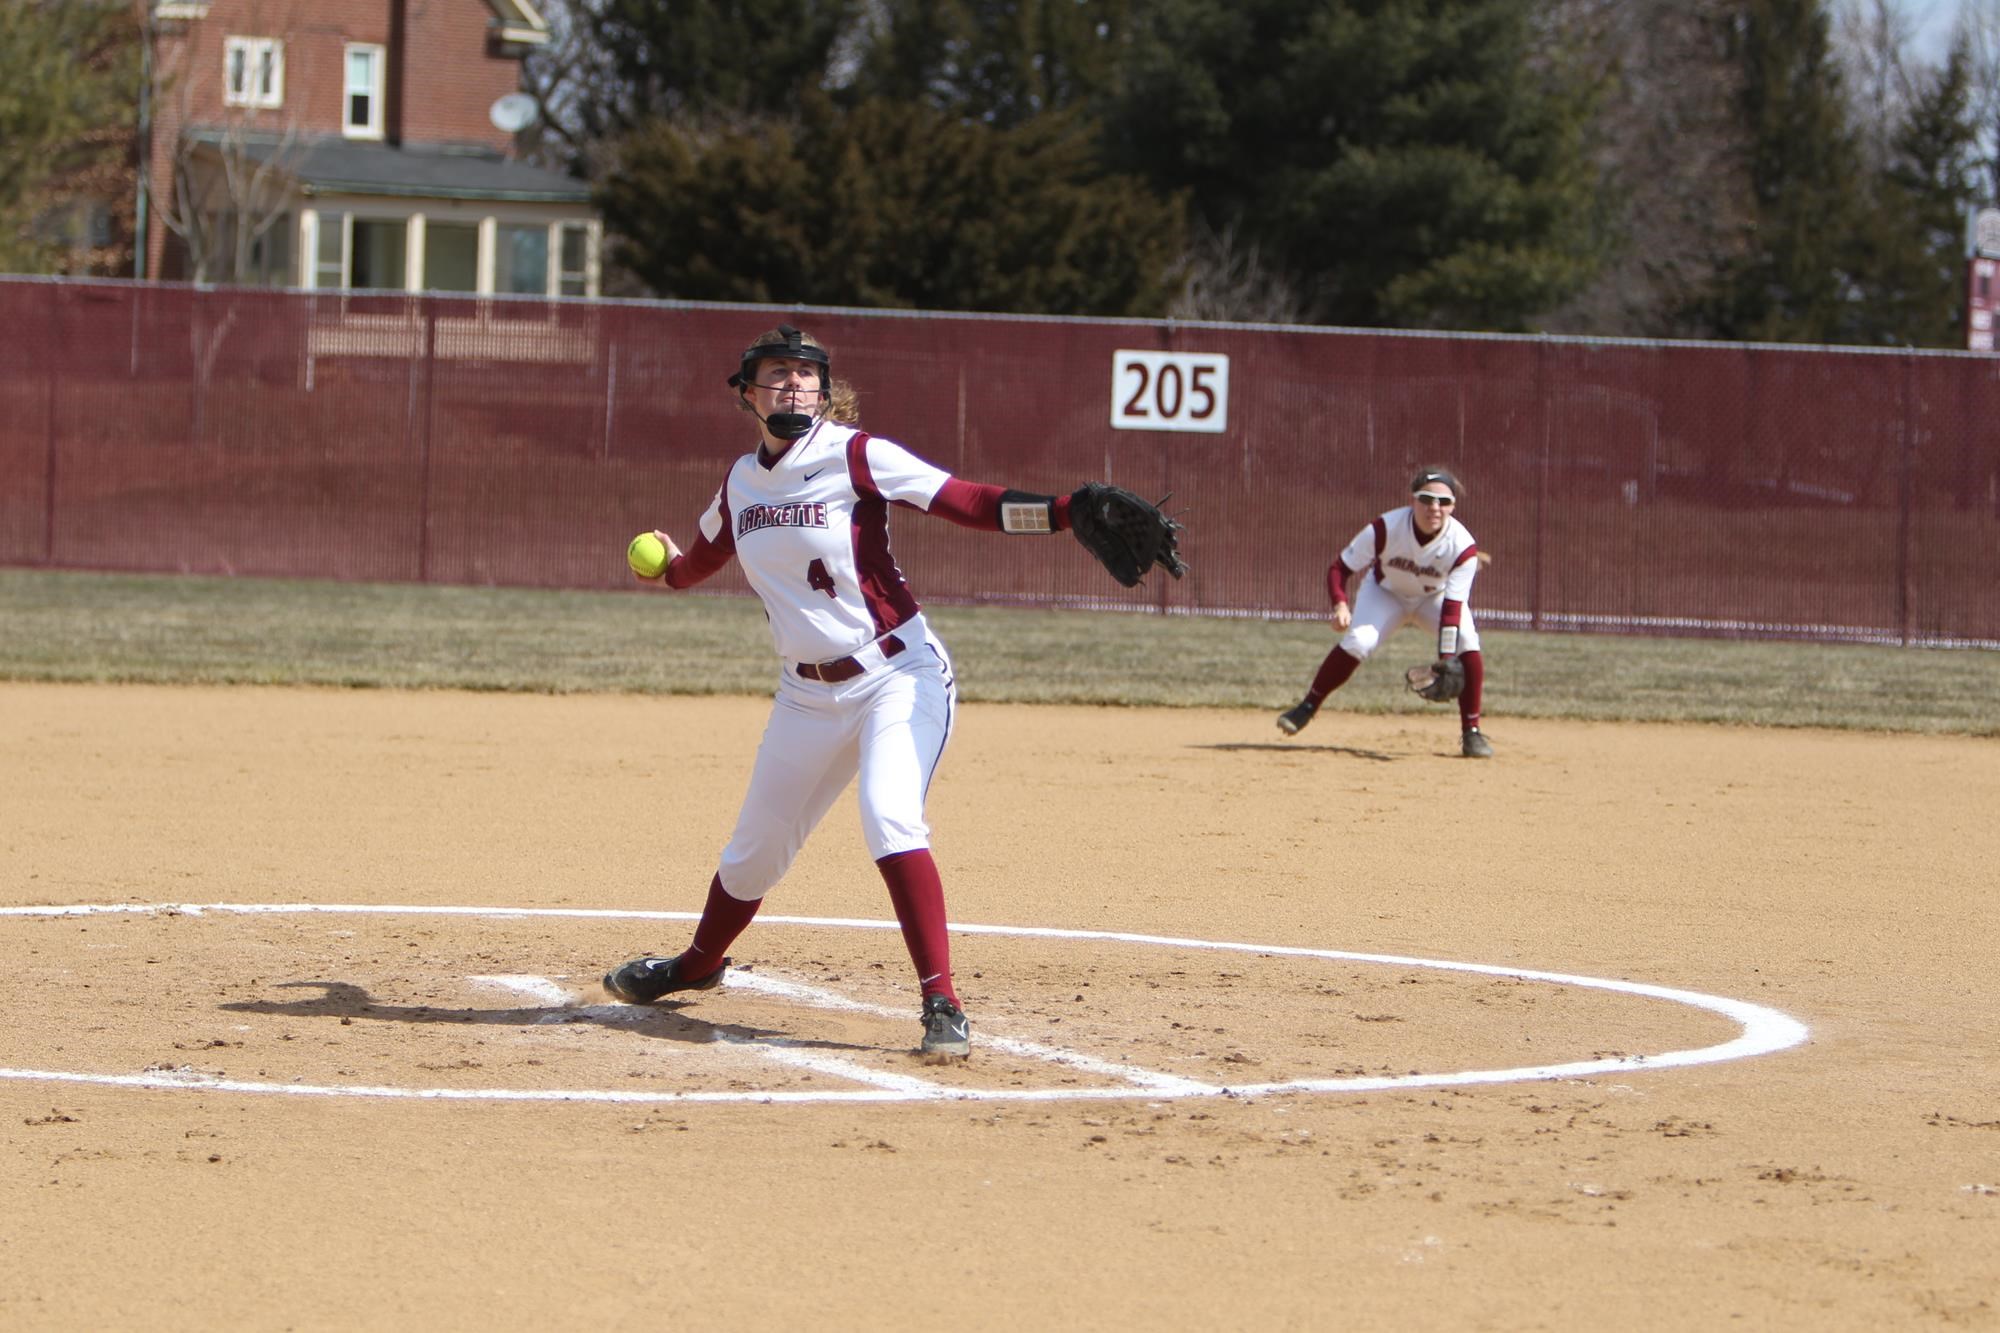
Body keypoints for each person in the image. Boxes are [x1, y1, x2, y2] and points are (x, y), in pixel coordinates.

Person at [604, 324, 1178, 1061]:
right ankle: (699, 963)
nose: (793, 385)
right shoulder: (740, 483)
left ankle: (942, 999)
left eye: (806, 375)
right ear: (747, 394)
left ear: (822, 389)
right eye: (776, 374)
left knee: (889, 816)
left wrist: (1064, 510)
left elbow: (962, 499)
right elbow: (700, 557)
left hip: (897, 674)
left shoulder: (856, 454)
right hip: (804, 696)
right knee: (752, 854)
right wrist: (666, 571)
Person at [1275, 467, 1493, 758]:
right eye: (1426, 499)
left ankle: (1472, 733)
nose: (1435, 508)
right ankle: (1307, 706)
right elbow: (1340, 568)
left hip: (1434, 599)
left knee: (1467, 641)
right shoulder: (1386, 528)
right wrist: (1340, 604)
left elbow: (1452, 610)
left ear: (1453, 506)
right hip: (1385, 593)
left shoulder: (1463, 546)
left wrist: (1446, 660)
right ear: (1412, 500)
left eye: (1444, 502)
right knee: (1359, 642)